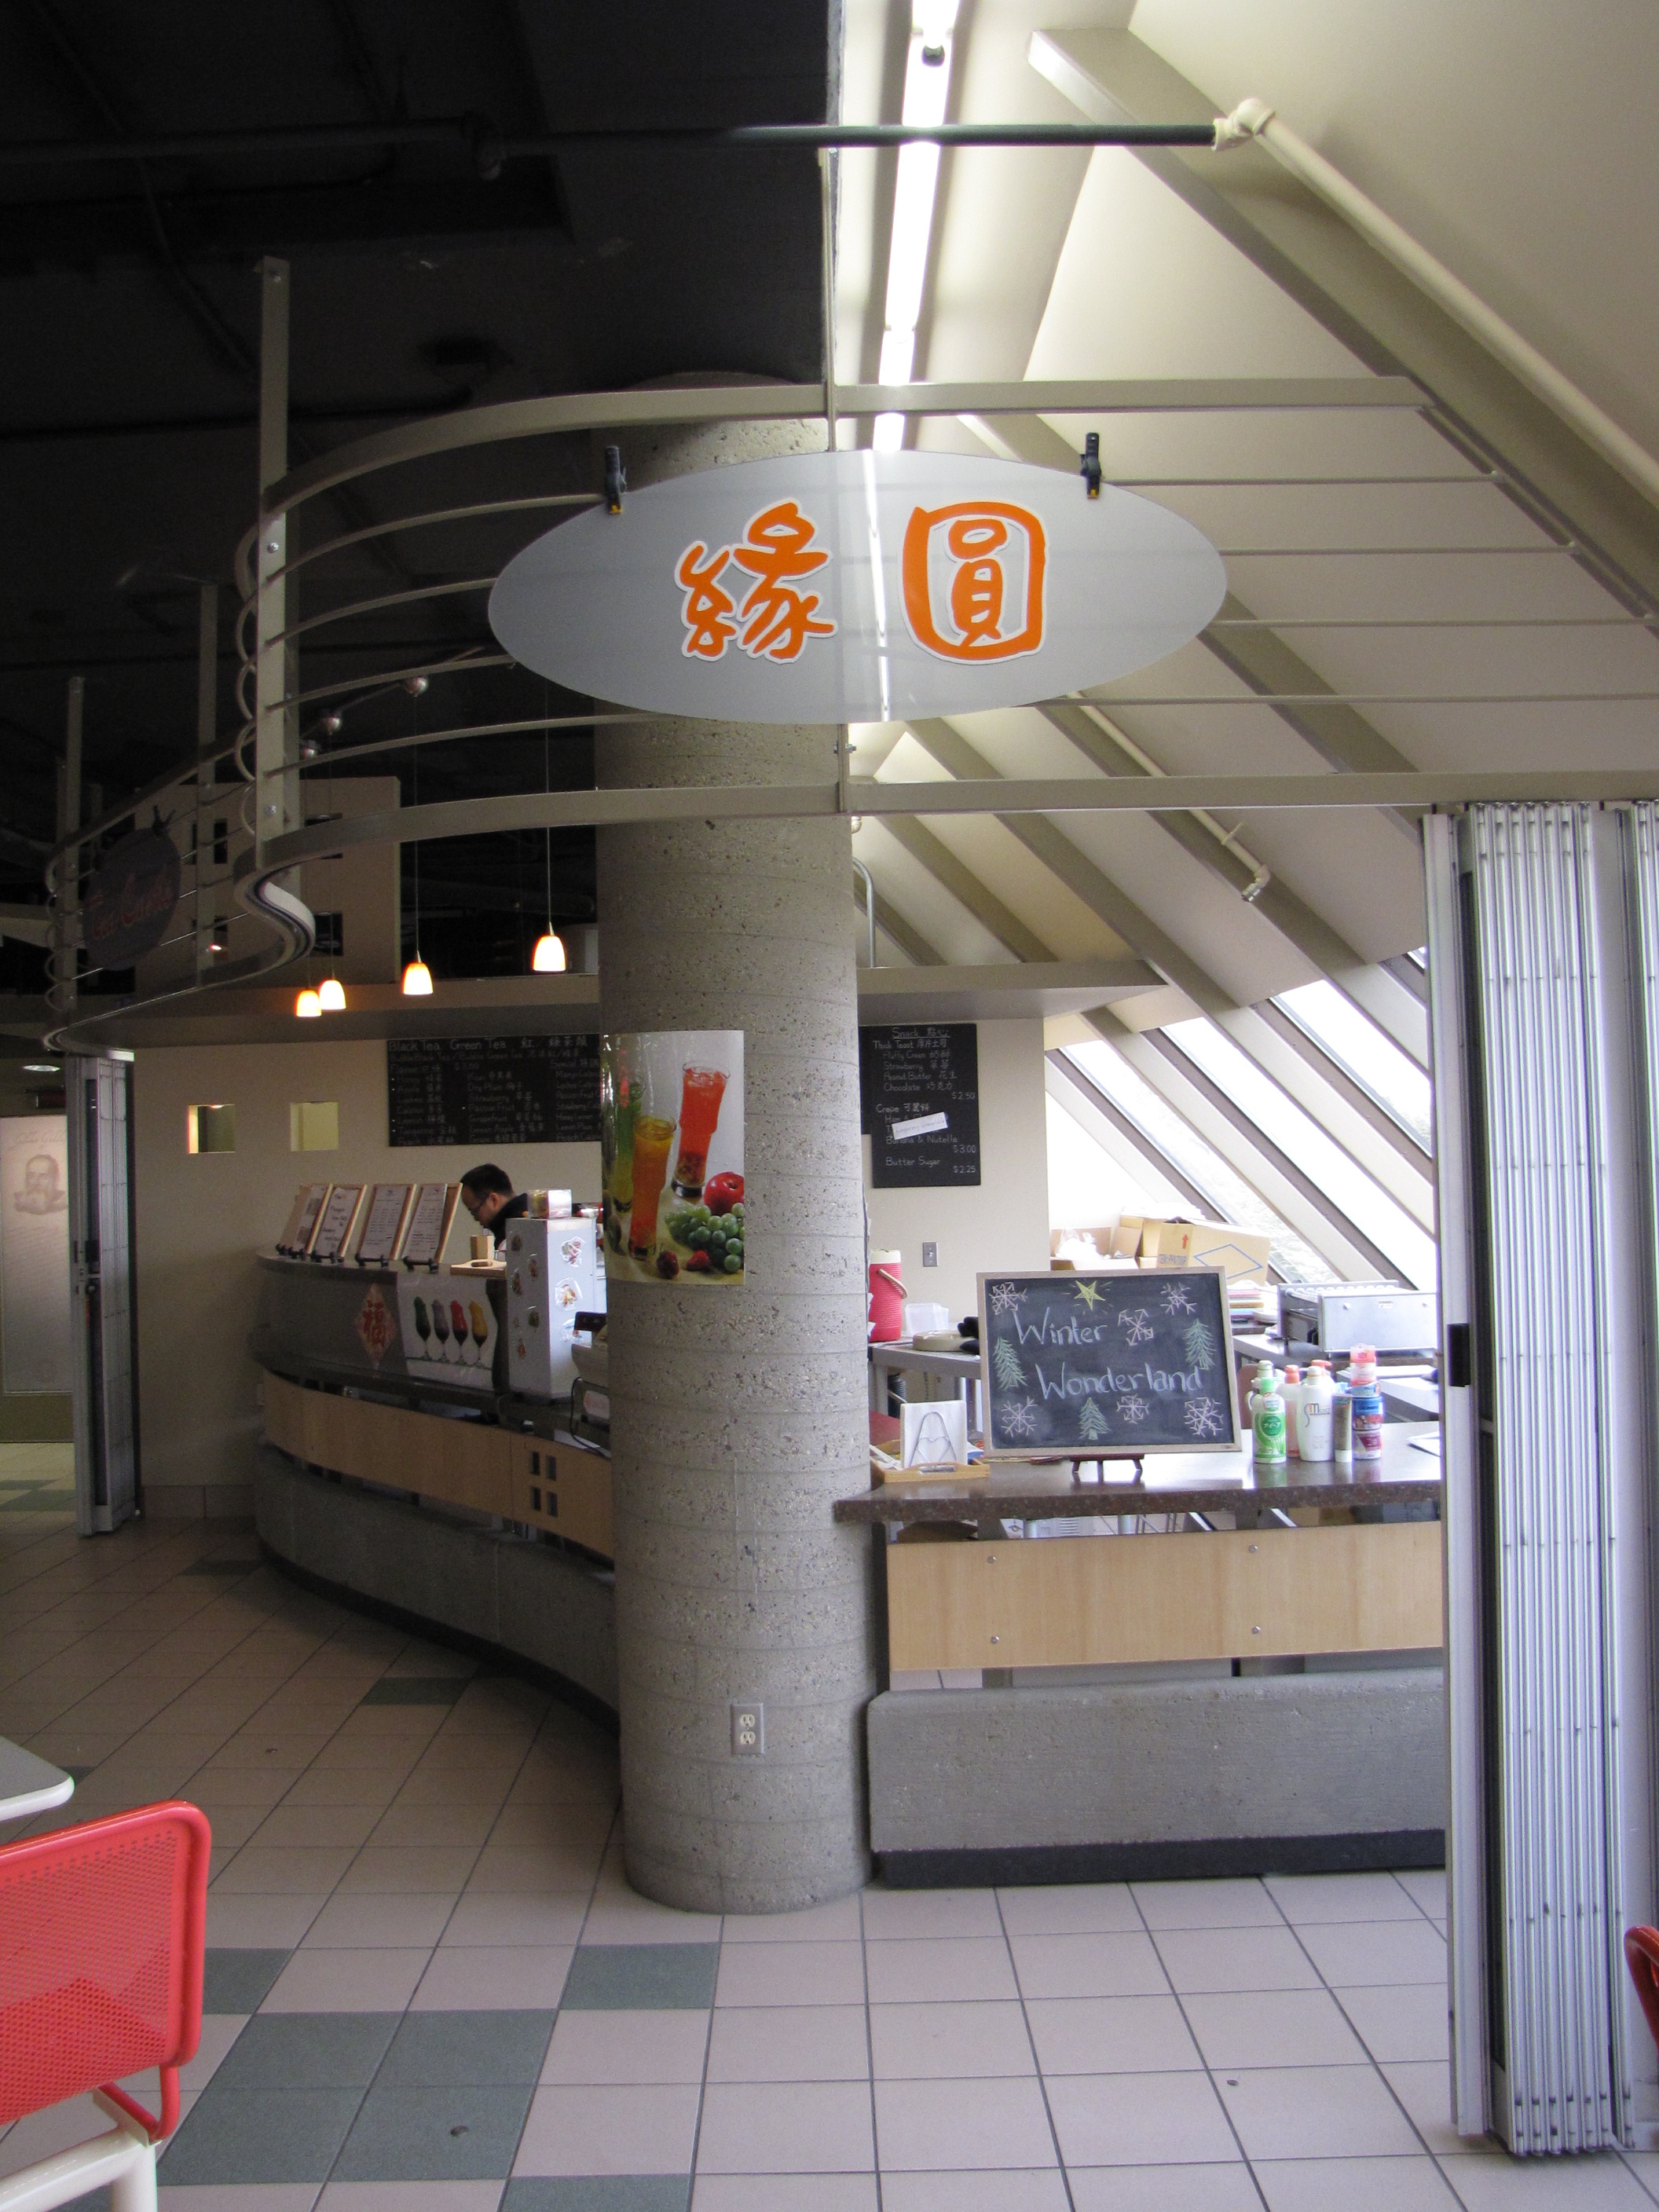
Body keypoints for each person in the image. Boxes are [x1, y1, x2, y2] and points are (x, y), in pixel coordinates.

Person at [459, 1163, 529, 1237]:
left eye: (474, 1212)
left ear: (493, 1200)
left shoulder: (512, 1233)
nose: (476, 1219)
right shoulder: (530, 1213)